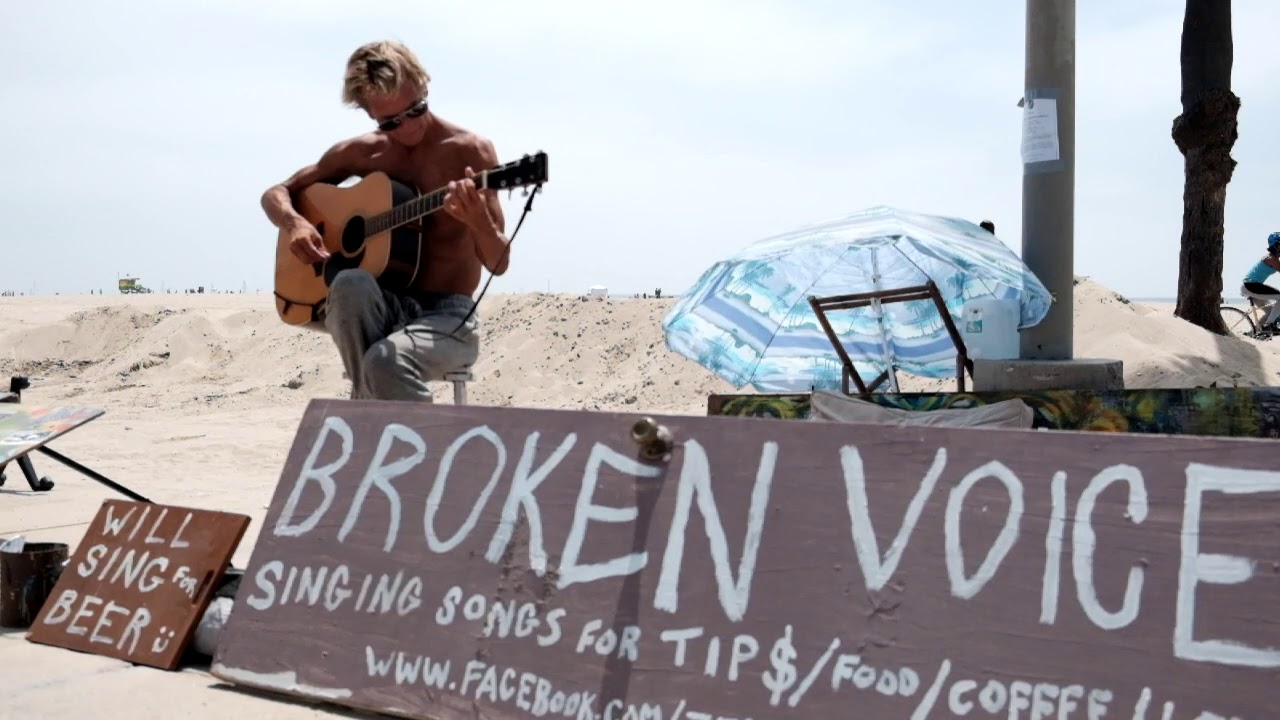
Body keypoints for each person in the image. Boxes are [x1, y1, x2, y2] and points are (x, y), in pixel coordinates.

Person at [260, 40, 510, 402]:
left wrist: (479, 222)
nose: (408, 128)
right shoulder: (363, 153)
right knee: (348, 283)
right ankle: (377, 409)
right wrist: (294, 223)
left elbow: (499, 263)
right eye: (391, 122)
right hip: (379, 308)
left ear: (424, 84)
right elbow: (276, 193)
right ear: (367, 113)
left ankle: (371, 415)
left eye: (416, 109)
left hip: (447, 319)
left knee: (382, 361)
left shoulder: (471, 152)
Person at [1240, 232, 1280, 331]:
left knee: (1271, 312)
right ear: (1276, 246)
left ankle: (1255, 333)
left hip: (1251, 286)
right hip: (1250, 286)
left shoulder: (1273, 258)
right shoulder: (1271, 259)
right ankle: (1270, 325)